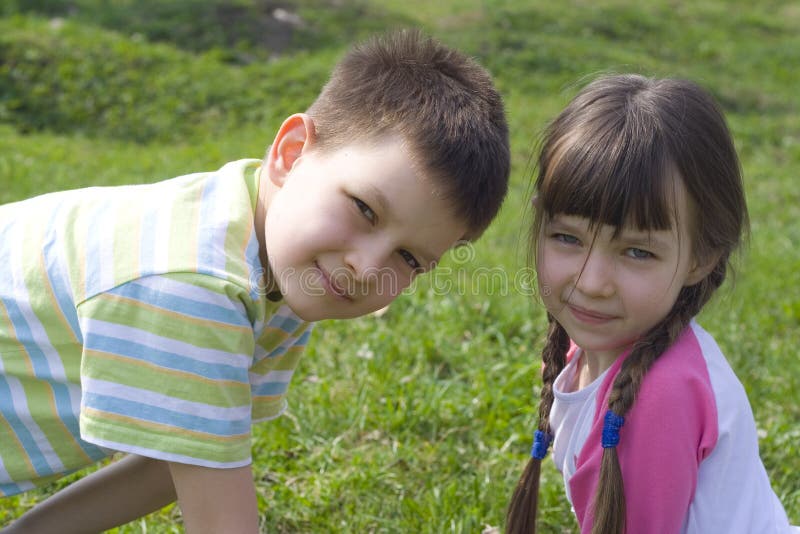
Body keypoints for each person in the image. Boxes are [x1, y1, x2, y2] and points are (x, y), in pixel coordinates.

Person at [0, 30, 510, 533]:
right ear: (292, 152)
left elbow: (182, 456)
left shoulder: (276, 258)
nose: (367, 268)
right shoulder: (192, 283)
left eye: (409, 258)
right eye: (364, 208)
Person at [506, 74, 797, 533]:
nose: (592, 282)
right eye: (567, 237)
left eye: (637, 252)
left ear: (701, 258)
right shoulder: (587, 349)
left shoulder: (660, 396)